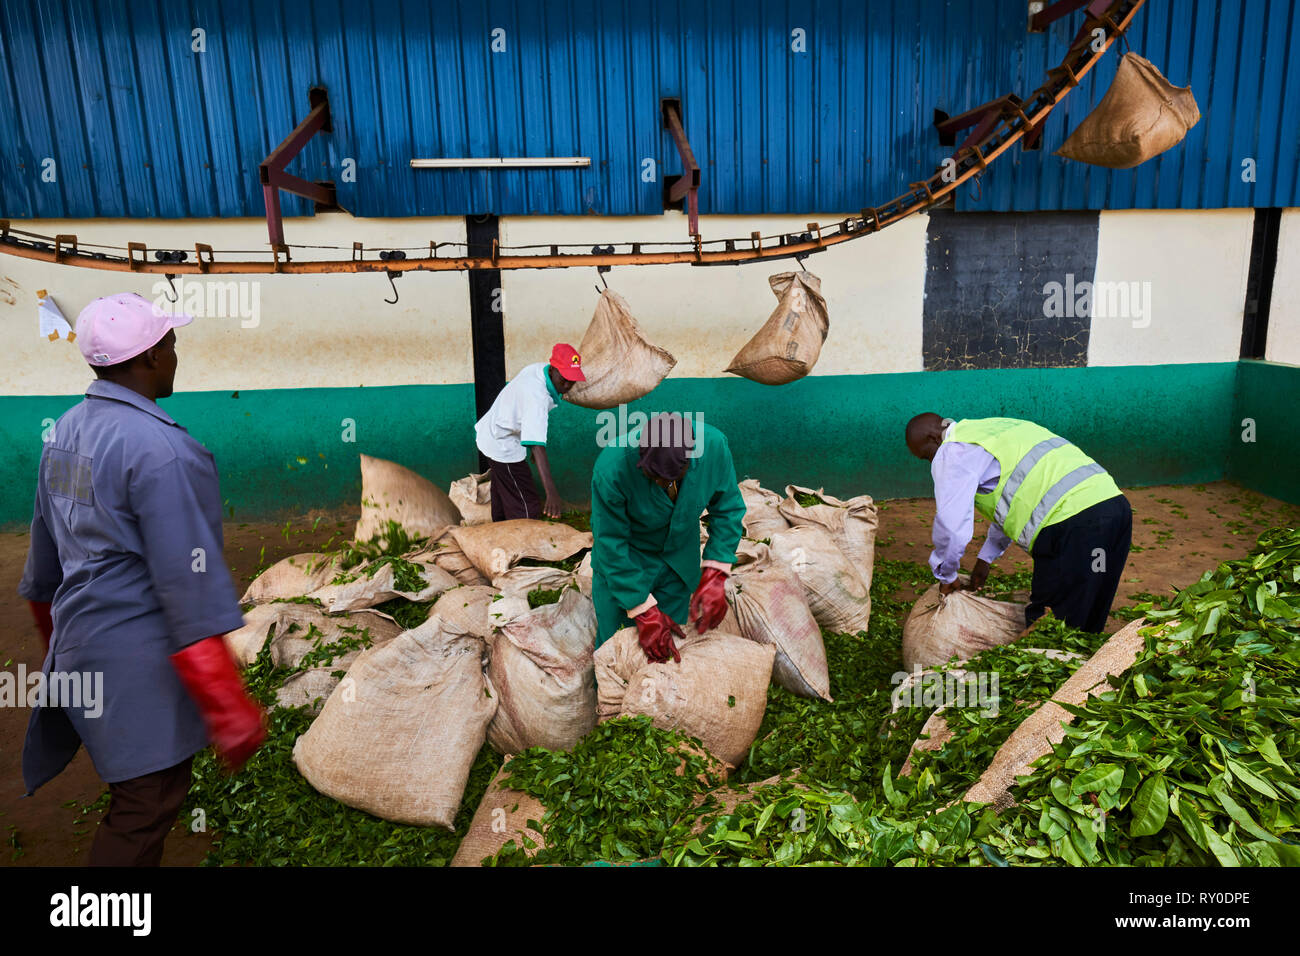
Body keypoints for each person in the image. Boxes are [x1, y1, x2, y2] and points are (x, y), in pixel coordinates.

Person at [18, 292, 265, 867]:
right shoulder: (164, 452)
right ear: (150, 357)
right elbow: (190, 591)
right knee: (143, 808)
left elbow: (42, 571)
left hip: (79, 648)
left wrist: (61, 646)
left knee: (136, 794)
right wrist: (229, 708)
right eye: (171, 346)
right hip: (136, 661)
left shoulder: (63, 434)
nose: (176, 358)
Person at [904, 413, 1132, 633]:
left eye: (927, 456)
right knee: (1093, 588)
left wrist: (948, 576)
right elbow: (1014, 497)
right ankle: (1088, 661)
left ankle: (1058, 667)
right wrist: (986, 558)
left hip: (1074, 524)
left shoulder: (952, 451)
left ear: (934, 439)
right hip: (1113, 511)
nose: (932, 462)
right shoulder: (994, 427)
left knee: (1049, 618)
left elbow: (952, 527)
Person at [589, 412, 746, 661]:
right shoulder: (612, 467)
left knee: (667, 646)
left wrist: (715, 573)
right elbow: (610, 541)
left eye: (670, 477)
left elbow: (727, 510)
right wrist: (642, 609)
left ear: (690, 459)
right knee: (617, 650)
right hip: (627, 558)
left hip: (678, 560)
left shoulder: (713, 448)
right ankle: (609, 699)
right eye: (653, 476)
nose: (662, 483)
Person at [475, 344, 585, 521]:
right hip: (501, 443)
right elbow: (537, 446)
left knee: (503, 491)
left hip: (492, 431)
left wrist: (532, 442)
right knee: (526, 506)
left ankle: (500, 535)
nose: (567, 385)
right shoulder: (537, 397)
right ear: (553, 370)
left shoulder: (539, 369)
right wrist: (552, 493)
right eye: (563, 378)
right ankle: (522, 545)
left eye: (572, 380)